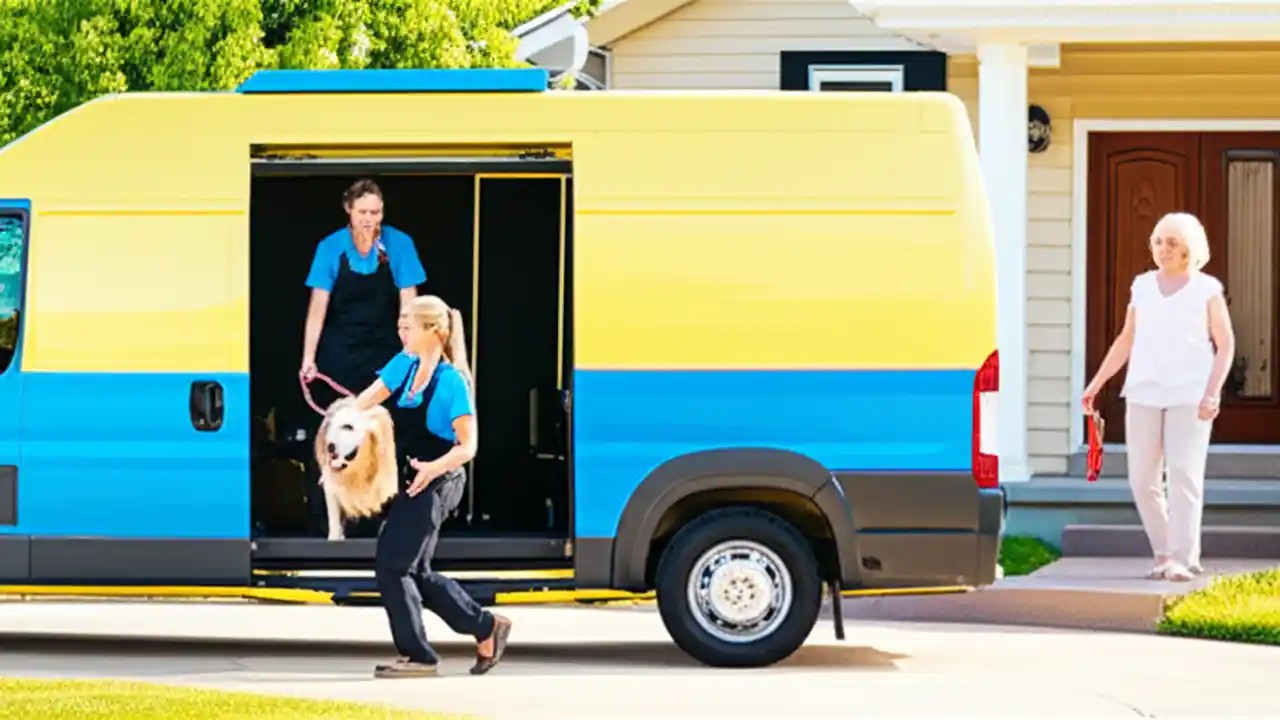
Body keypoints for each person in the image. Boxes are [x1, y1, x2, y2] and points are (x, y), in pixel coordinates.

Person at [349, 294, 511, 678]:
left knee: (392, 565)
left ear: (433, 330)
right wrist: (344, 429)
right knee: (416, 571)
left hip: (439, 481)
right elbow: (364, 403)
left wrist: (432, 468)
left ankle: (419, 657)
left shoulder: (452, 381)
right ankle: (485, 626)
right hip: (409, 480)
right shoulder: (402, 366)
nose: (400, 327)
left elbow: (467, 447)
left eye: (409, 323)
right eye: (401, 321)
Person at [1082, 212, 1235, 582]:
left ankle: (1183, 557)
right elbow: (1126, 339)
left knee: (1183, 475)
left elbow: (1226, 343)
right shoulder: (1142, 286)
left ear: (1189, 249)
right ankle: (1165, 553)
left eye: (1172, 242)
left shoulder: (1206, 289)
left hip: (1190, 394)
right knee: (1142, 480)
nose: (1163, 249)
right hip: (1144, 391)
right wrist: (1097, 383)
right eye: (1159, 241)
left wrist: (1212, 393)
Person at [300, 178, 427, 401]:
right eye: (363, 212)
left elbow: (409, 304)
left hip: (386, 347)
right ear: (348, 209)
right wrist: (308, 358)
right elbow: (318, 306)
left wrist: (411, 352)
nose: (369, 219)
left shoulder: (400, 244)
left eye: (375, 212)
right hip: (341, 349)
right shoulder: (330, 247)